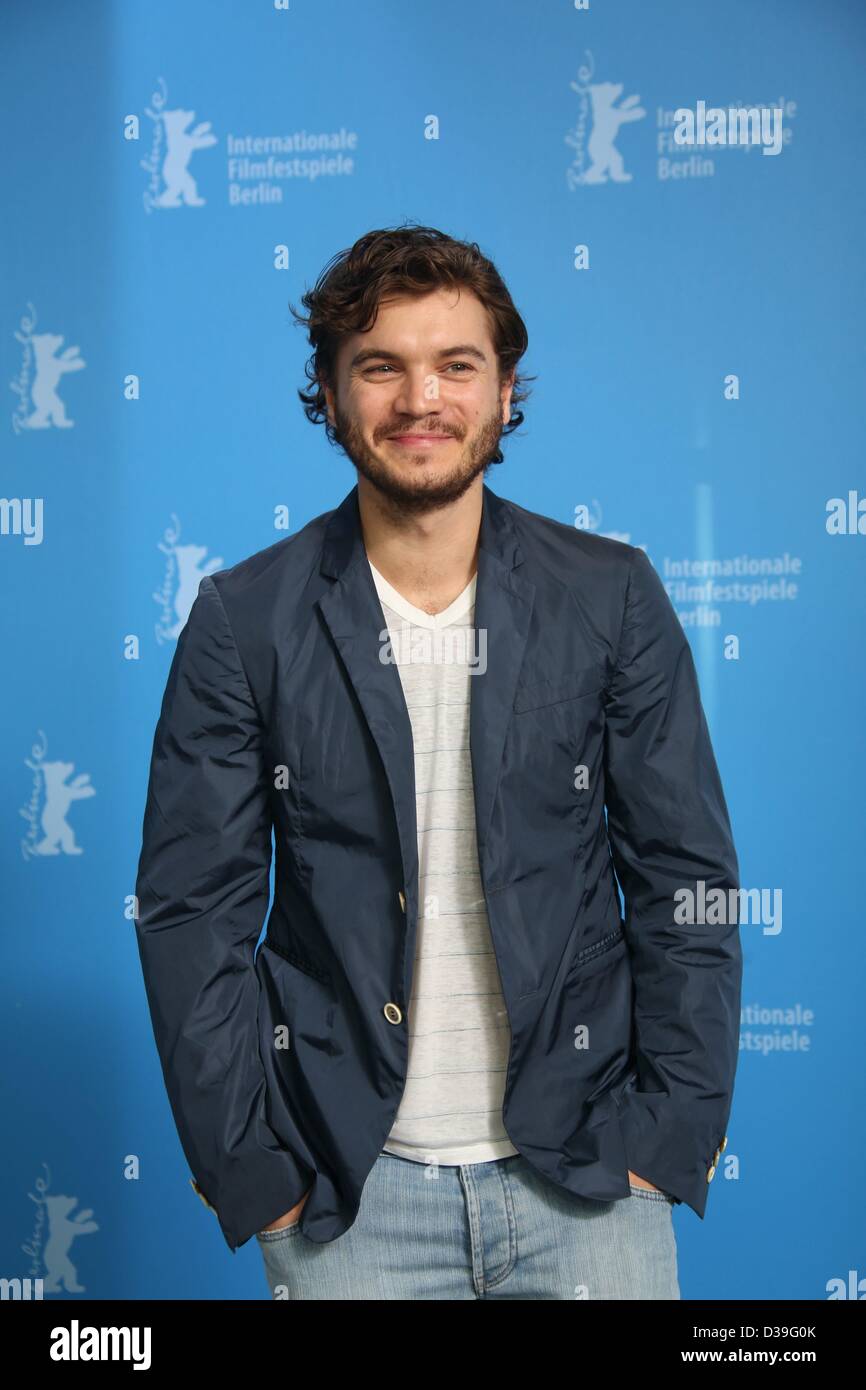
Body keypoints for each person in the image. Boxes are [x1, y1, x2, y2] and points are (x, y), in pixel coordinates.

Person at [134, 224, 742, 1300]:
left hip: (588, 1179)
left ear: (504, 390)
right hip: (347, 1198)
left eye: (455, 365)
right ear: (328, 391)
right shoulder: (244, 619)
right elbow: (192, 911)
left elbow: (684, 879)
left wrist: (665, 1141)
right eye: (381, 366)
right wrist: (253, 1175)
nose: (421, 399)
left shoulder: (610, 596)